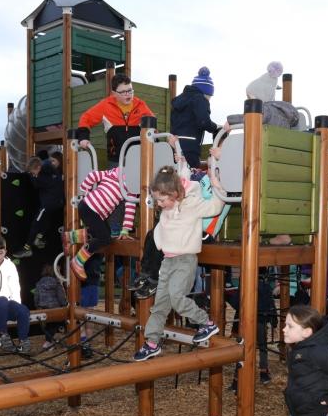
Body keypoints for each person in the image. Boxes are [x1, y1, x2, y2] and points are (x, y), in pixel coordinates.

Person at [133, 156, 225, 361]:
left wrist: (218, 186)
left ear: (175, 194)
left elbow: (215, 207)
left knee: (176, 297)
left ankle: (207, 323)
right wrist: (178, 153)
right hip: (167, 261)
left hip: (185, 260)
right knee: (160, 305)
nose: (159, 204)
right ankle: (152, 343)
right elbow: (182, 175)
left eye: (162, 200)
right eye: (157, 199)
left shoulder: (190, 204)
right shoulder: (168, 205)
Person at [63, 165, 138, 281]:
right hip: (90, 208)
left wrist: (125, 229)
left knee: (102, 233)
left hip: (90, 208)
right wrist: (85, 193)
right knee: (105, 238)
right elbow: (92, 175)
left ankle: (70, 237)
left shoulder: (118, 177)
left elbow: (130, 207)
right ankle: (78, 261)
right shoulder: (116, 175)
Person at [75, 73, 154, 167]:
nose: (128, 95)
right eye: (123, 92)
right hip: (116, 159)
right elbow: (86, 118)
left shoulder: (140, 105)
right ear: (114, 93)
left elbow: (152, 123)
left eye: (130, 90)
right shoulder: (106, 105)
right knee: (115, 181)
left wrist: (156, 141)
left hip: (137, 157)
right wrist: (84, 137)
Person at [170, 67, 227, 168]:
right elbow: (203, 121)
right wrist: (215, 127)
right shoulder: (200, 99)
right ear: (206, 93)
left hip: (175, 143)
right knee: (191, 173)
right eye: (209, 97)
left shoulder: (180, 100)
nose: (209, 100)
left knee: (179, 173)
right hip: (190, 145)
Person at [13, 152, 65, 259]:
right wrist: (34, 175)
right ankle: (39, 238)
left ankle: (27, 249)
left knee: (35, 223)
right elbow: (36, 184)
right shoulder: (42, 173)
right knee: (46, 220)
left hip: (50, 202)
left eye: (34, 172)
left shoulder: (47, 167)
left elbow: (50, 163)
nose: (33, 174)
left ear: (39, 167)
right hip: (54, 202)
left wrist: (52, 162)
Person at [33, 264, 67, 350]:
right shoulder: (56, 283)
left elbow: (36, 297)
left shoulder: (39, 283)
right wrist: (65, 305)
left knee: (49, 325)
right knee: (59, 324)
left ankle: (49, 343)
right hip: (56, 308)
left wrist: (37, 306)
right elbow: (61, 297)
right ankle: (49, 343)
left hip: (43, 308)